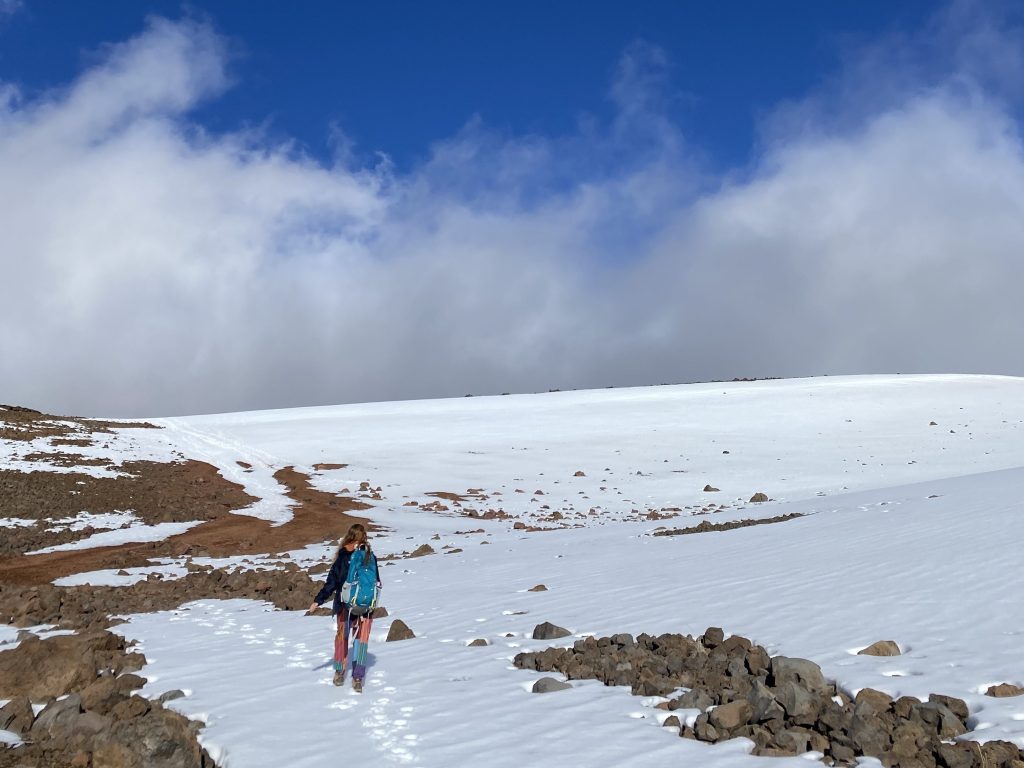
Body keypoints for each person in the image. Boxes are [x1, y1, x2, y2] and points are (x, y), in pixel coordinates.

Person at [308, 523, 381, 692]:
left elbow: (332, 582)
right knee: (361, 641)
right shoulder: (370, 556)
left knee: (342, 638)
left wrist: (318, 600)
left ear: (349, 536)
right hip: (366, 607)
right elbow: (376, 581)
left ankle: (340, 672)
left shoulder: (343, 556)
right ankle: (358, 678)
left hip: (344, 605)